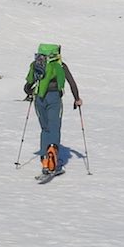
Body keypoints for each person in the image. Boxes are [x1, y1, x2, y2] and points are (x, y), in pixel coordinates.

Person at [23, 42, 81, 176]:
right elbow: (72, 83)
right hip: (54, 98)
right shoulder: (60, 65)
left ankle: (44, 159)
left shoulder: (36, 64)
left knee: (45, 128)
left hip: (39, 99)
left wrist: (30, 91)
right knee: (54, 127)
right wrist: (77, 99)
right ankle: (52, 158)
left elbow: (27, 86)